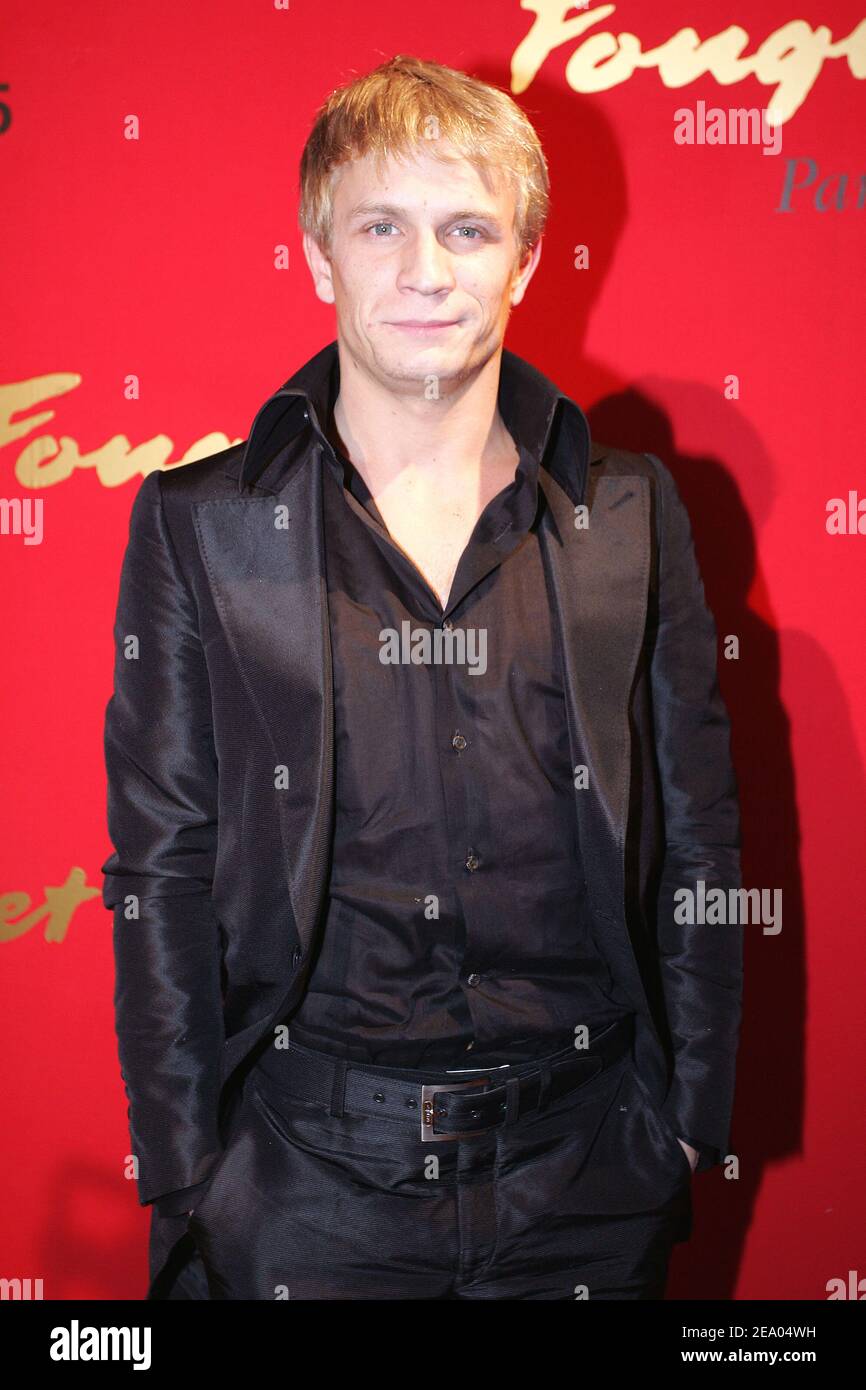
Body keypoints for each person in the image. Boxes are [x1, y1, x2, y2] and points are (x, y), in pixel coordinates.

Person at [102, 54, 743, 1300]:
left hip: (587, 1174)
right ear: (317, 254)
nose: (425, 270)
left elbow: (703, 843)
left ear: (524, 259)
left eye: (465, 229)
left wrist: (683, 1124)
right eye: (380, 225)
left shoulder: (630, 512)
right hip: (298, 1181)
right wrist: (189, 1167)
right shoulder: (202, 524)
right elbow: (160, 861)